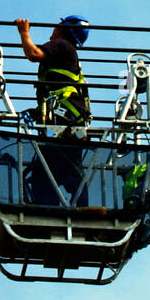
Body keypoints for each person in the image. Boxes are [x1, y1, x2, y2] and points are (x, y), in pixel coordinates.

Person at [14, 16, 92, 205]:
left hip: (63, 121)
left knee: (46, 171)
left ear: (63, 30)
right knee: (66, 169)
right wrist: (36, 112)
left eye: (58, 25)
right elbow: (58, 94)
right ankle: (80, 209)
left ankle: (47, 207)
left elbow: (33, 54)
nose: (54, 27)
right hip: (69, 120)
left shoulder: (61, 45)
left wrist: (24, 32)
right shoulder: (68, 54)